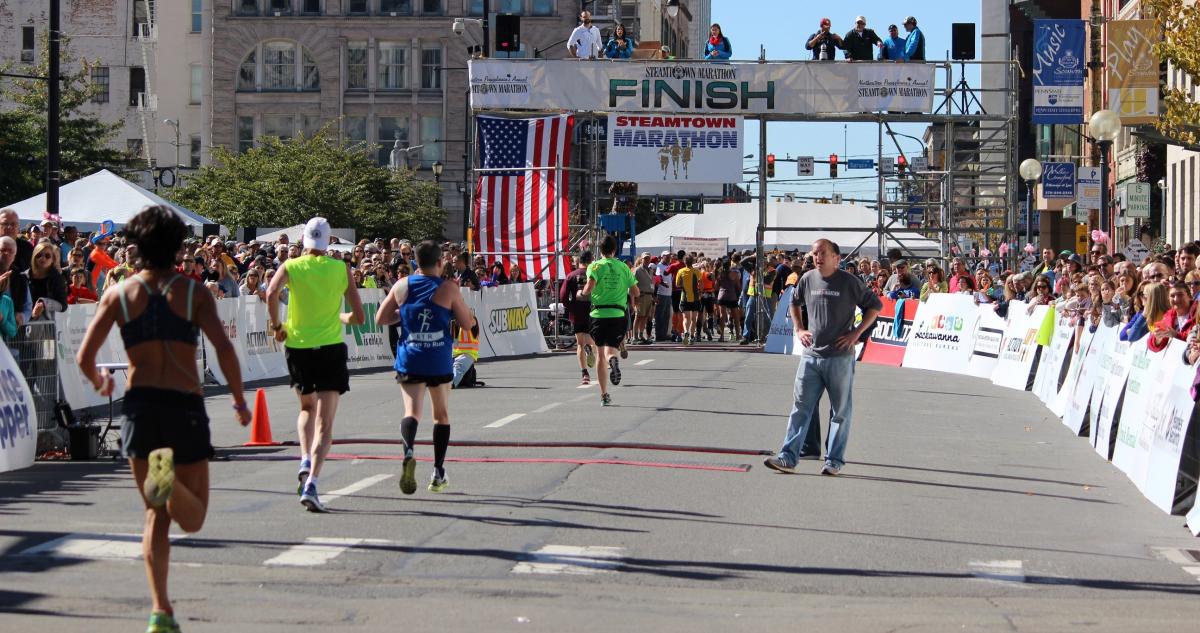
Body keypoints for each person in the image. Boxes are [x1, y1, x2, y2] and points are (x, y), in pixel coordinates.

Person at [75, 205, 251, 633]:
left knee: (155, 510)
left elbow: (84, 357)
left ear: (135, 247)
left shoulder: (119, 294)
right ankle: (160, 605)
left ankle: (161, 609)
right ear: (176, 248)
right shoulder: (193, 293)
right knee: (192, 518)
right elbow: (224, 351)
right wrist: (239, 399)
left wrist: (99, 381)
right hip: (184, 408)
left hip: (140, 410)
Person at [266, 217, 365, 513]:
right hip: (330, 349)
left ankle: (304, 459)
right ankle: (312, 482)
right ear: (328, 241)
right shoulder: (340, 268)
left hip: (298, 346)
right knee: (326, 422)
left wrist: (276, 326)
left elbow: (270, 292)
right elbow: (359, 317)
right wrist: (341, 317)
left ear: (305, 240)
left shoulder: (292, 265)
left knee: (306, 409)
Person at [764, 239, 881, 476]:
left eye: (823, 253)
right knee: (801, 408)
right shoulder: (807, 279)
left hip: (840, 358)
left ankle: (833, 461)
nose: (817, 257)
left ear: (837, 258)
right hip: (811, 357)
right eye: (815, 253)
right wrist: (799, 328)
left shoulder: (849, 282)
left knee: (840, 411)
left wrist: (856, 333)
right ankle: (787, 457)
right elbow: (794, 303)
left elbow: (875, 306)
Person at [375, 240, 477, 494]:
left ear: (415, 262)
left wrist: (403, 314)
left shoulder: (401, 285)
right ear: (441, 263)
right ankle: (438, 471)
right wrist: (466, 314)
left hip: (410, 355)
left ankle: (409, 449)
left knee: (411, 411)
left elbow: (381, 318)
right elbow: (467, 324)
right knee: (440, 414)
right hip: (438, 357)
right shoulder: (449, 288)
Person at [578, 235, 638, 407]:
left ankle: (604, 395)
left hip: (598, 314)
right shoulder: (623, 267)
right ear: (614, 250)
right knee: (611, 349)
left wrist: (582, 294)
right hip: (618, 313)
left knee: (599, 353)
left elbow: (589, 288)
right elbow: (636, 291)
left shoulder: (594, 266)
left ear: (600, 250)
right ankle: (613, 359)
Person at [560, 251, 597, 385]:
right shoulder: (594, 275)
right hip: (593, 311)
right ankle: (590, 348)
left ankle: (584, 373)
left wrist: (571, 307)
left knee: (579, 343)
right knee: (593, 341)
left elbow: (563, 296)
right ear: (590, 261)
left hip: (577, 313)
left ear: (578, 261)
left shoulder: (571, 276)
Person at [28, 241, 68, 321]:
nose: (43, 258)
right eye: (39, 255)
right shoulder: (25, 276)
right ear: (34, 257)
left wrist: (44, 303)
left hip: (46, 325)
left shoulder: (57, 279)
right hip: (24, 324)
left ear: (53, 259)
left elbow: (63, 306)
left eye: (47, 256)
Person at [675, 256, 701, 345]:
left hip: (684, 297)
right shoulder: (697, 271)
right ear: (693, 261)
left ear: (685, 262)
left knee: (686, 318)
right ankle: (692, 337)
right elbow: (701, 285)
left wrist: (684, 285)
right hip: (695, 298)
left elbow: (677, 284)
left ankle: (686, 331)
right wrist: (700, 292)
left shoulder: (681, 271)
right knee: (694, 319)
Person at [632, 254, 656, 344]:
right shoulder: (637, 270)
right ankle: (635, 337)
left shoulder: (650, 270)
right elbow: (632, 284)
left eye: (648, 258)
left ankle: (641, 335)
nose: (647, 260)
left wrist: (653, 295)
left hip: (649, 295)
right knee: (638, 316)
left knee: (645, 317)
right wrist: (635, 297)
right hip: (640, 296)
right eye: (645, 258)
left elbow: (651, 283)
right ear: (641, 259)